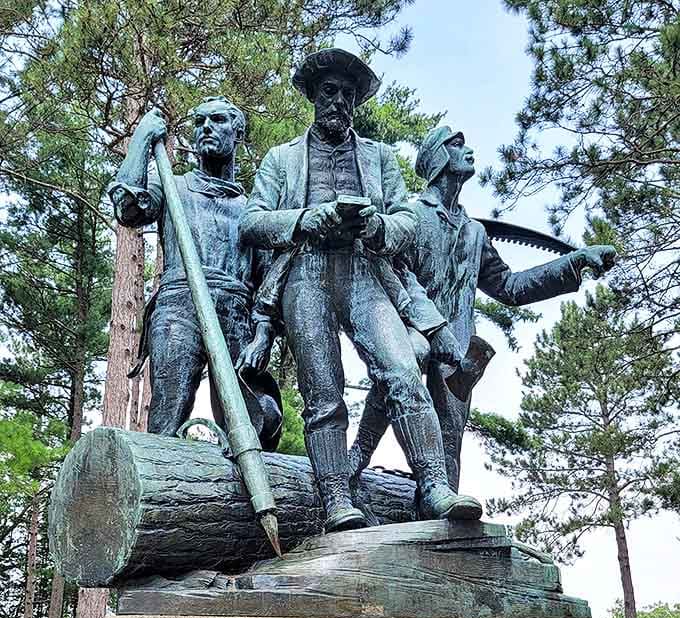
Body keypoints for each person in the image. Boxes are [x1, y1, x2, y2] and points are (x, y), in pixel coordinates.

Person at [238, 49, 482, 532]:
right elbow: (251, 221)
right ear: (312, 96)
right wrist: (305, 218)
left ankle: (434, 485)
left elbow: (407, 219)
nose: (339, 102)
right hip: (305, 272)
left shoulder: (379, 157)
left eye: (348, 94)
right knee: (323, 395)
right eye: (329, 91)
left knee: (403, 371)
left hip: (365, 272)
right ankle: (336, 499)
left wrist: (378, 227)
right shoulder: (281, 159)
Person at [349, 125, 616, 489]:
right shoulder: (412, 217)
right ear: (438, 157)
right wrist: (426, 327)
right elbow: (392, 273)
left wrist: (573, 263)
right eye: (458, 145)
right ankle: (354, 461)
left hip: (456, 352)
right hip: (411, 330)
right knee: (397, 375)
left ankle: (439, 517)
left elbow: (509, 287)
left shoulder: (475, 233)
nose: (469, 150)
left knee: (449, 443)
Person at [108, 97, 281, 447]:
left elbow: (268, 284)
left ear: (238, 132)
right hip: (179, 304)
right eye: (199, 121)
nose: (205, 128)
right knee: (167, 413)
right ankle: (158, 486)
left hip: (236, 310)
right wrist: (141, 140)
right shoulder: (174, 186)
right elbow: (127, 209)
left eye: (217, 120)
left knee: (255, 421)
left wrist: (263, 334)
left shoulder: (252, 209)